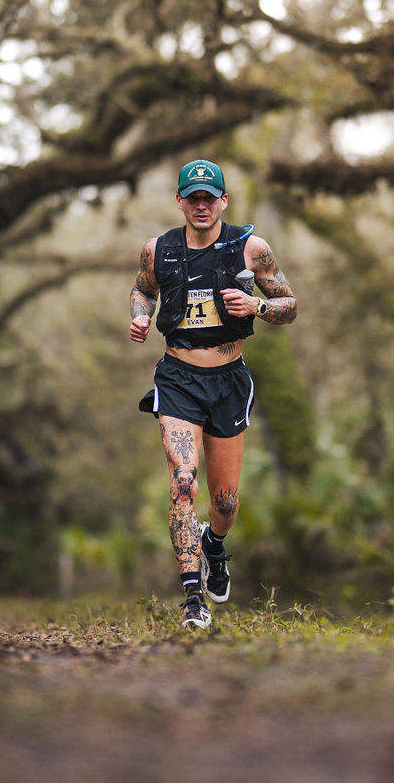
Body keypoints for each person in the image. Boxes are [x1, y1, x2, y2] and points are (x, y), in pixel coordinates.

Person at [129, 159, 298, 629]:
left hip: (228, 382)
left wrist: (257, 305)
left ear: (223, 200)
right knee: (183, 482)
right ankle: (192, 599)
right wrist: (140, 315)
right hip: (178, 379)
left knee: (224, 502)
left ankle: (215, 546)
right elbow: (142, 291)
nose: (201, 205)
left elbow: (289, 305)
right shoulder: (158, 250)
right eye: (193, 197)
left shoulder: (251, 249)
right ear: (179, 201)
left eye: (209, 197)